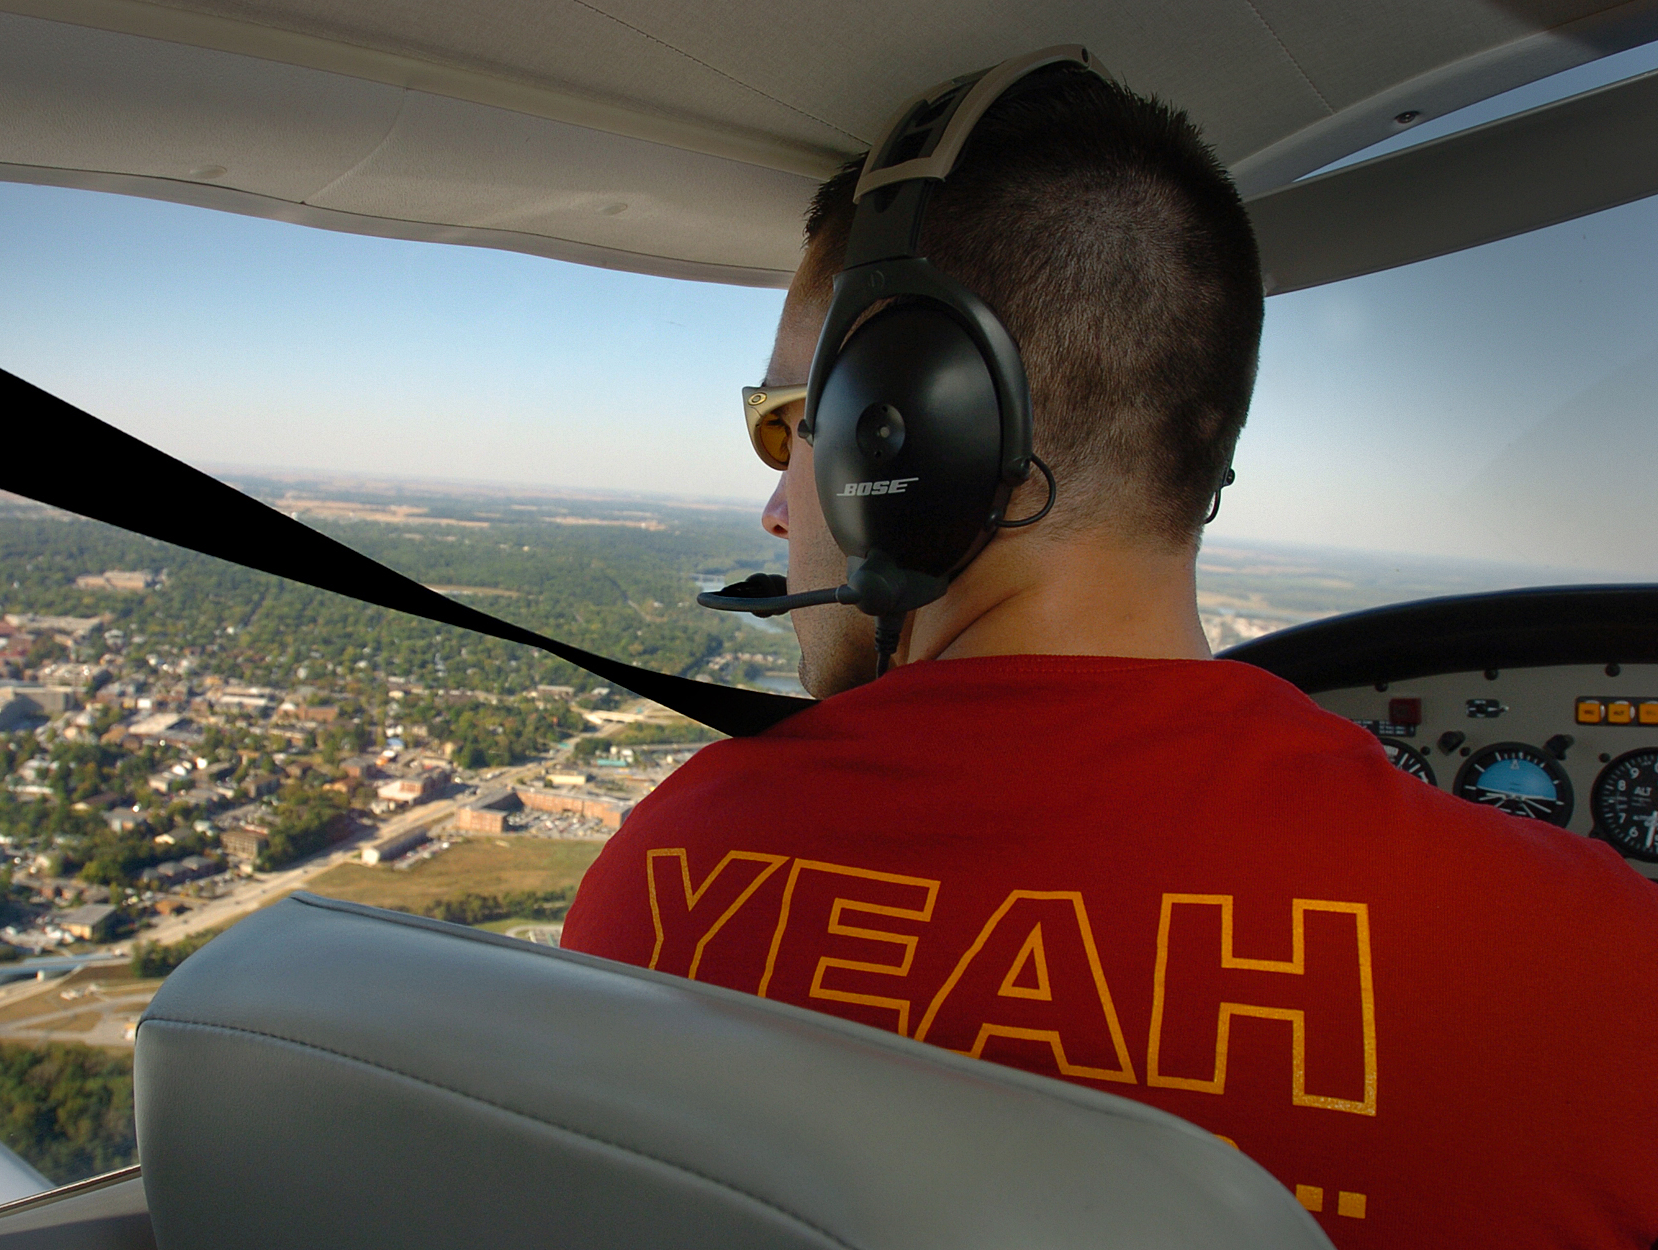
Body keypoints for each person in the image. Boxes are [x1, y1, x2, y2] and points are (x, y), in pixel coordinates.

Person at [562, 65, 1658, 1249]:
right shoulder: (1602, 978)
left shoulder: (667, 883)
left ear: (910, 433)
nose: (778, 505)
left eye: (790, 421)